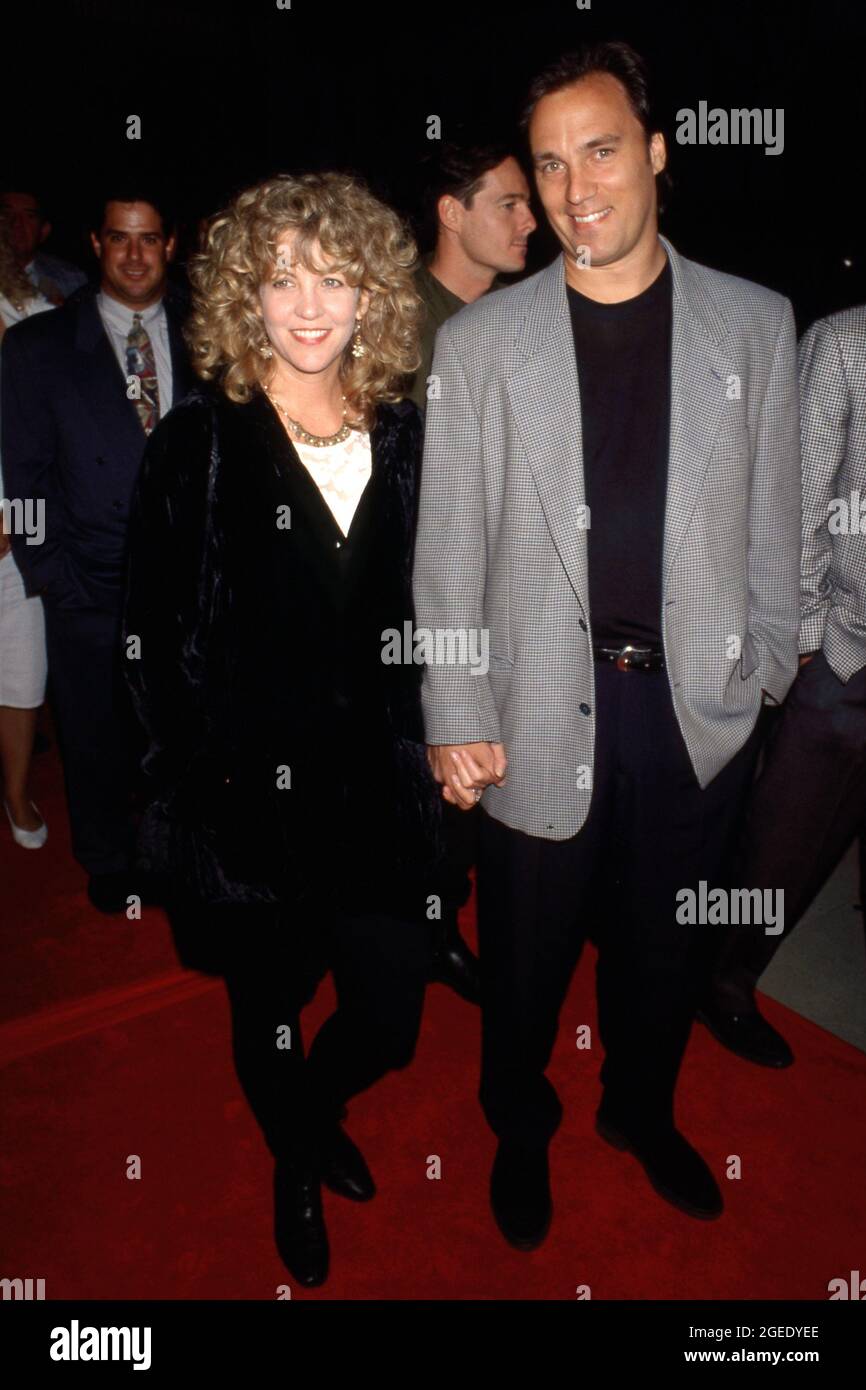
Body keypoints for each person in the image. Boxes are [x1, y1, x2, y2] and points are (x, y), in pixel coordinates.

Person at [413, 41, 800, 1248]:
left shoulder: (754, 322)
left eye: (598, 149)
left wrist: (763, 667)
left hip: (690, 713)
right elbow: (446, 553)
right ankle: (518, 1125)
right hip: (532, 708)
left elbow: (776, 530)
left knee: (663, 950)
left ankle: (638, 1110)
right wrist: (455, 711)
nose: (575, 186)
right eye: (546, 163)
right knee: (522, 969)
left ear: (653, 154)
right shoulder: (480, 344)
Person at [122, 173, 442, 1289]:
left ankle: (311, 1110)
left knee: (390, 1015)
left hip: (380, 797)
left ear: (372, 293)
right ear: (243, 295)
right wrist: (197, 790)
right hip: (248, 807)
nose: (309, 303)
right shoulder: (201, 443)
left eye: (335, 276)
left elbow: (440, 604)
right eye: (281, 277)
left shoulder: (405, 431)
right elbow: (148, 650)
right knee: (267, 1012)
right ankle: (295, 1159)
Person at [1, 188, 194, 911]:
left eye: (149, 239)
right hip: (89, 579)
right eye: (120, 239)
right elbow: (24, 474)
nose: (135, 254)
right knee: (92, 731)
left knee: (177, 727)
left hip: (185, 581)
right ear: (95, 244)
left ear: (170, 244)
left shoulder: (208, 333)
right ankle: (109, 856)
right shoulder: (38, 346)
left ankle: (175, 845)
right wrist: (50, 575)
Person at [701, 304, 866, 1066]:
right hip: (844, 655)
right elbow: (796, 503)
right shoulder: (844, 343)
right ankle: (723, 980)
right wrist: (802, 644)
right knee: (785, 843)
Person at [408, 139, 536, 1004]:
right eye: (510, 203)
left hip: (512, 591)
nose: (534, 219)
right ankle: (425, 925)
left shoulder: (533, 315)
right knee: (427, 776)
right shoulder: (387, 323)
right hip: (416, 596)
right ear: (452, 213)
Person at [407, 140, 536, 408]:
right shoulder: (394, 311)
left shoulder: (528, 313)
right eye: (508, 205)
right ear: (452, 214)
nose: (530, 223)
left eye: (526, 204)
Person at [0, 210, 53, 848]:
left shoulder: (35, 314)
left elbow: (47, 429)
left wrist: (21, 512)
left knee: (21, 672)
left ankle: (15, 792)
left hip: (21, 531)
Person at [0, 186, 88, 303]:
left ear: (44, 231)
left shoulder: (71, 279)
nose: (17, 223)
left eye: (29, 216)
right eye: (7, 214)